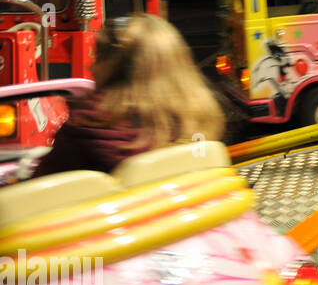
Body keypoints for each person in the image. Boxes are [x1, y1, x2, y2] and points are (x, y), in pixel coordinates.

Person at [31, 14, 226, 177]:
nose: (91, 66)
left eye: (97, 57)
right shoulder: (199, 122)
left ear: (108, 66)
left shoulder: (86, 126)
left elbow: (39, 188)